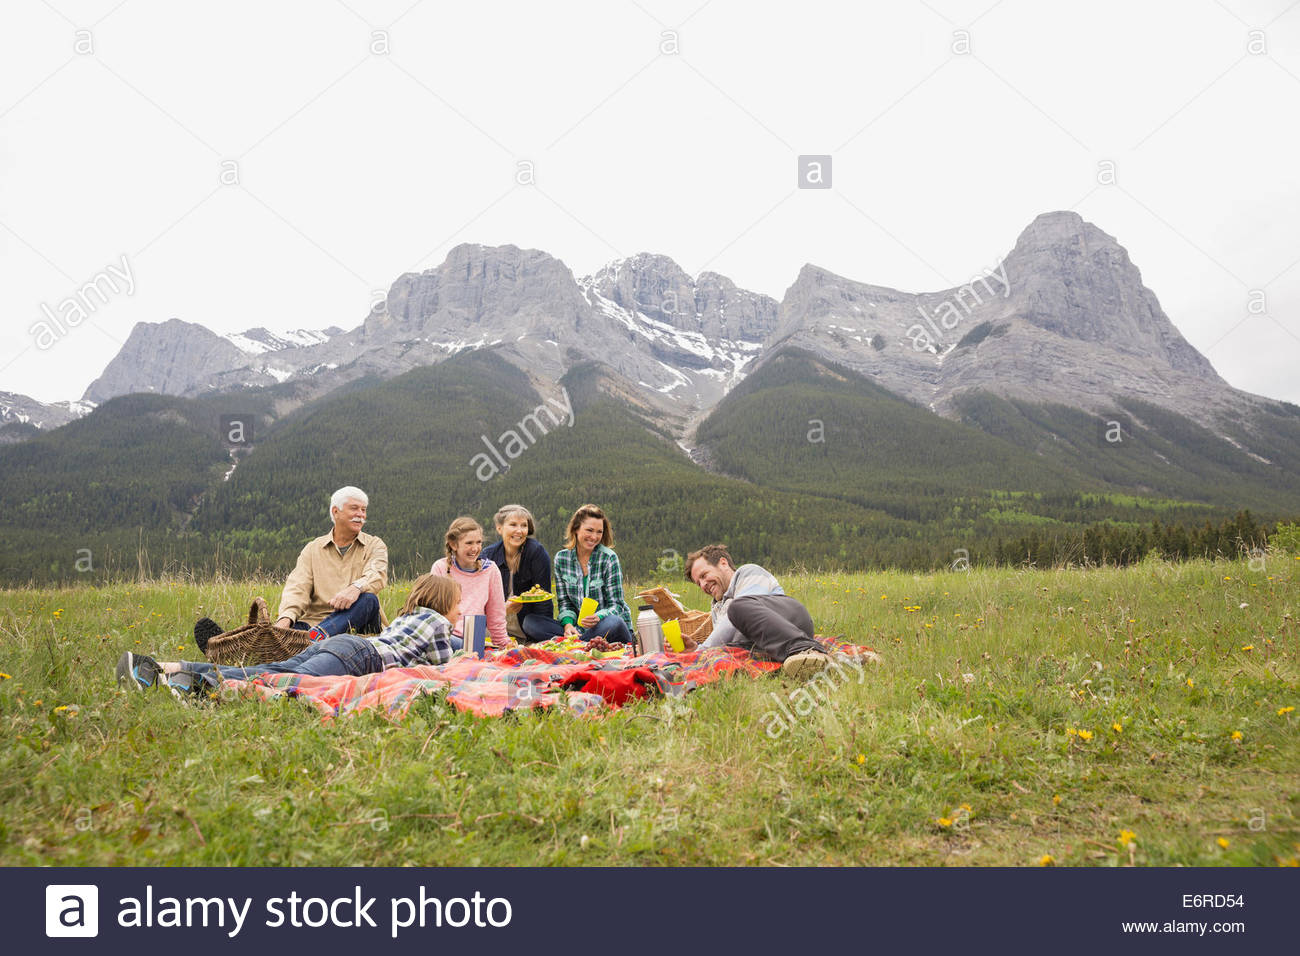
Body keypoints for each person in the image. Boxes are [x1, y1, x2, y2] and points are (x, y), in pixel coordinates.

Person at [118, 574, 459, 695]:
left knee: (280, 670)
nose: (459, 610)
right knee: (282, 676)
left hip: (345, 644)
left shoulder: (409, 616)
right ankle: (186, 681)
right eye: (458, 604)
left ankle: (169, 668)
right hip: (360, 657)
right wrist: (469, 655)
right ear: (445, 604)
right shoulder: (440, 624)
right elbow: (445, 669)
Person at [679, 544, 831, 679]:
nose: (703, 585)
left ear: (723, 563)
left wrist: (701, 651)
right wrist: (695, 647)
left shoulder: (748, 573)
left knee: (738, 607)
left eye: (704, 576)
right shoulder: (717, 607)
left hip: (791, 621)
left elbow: (736, 619)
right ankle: (799, 663)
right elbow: (727, 640)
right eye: (699, 583)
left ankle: (808, 650)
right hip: (765, 645)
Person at [531, 504, 632, 644]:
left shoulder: (609, 558)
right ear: (576, 529)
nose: (594, 537)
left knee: (614, 622)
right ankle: (580, 641)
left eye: (599, 532)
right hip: (578, 629)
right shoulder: (562, 559)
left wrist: (599, 616)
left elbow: (617, 606)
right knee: (530, 622)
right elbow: (565, 603)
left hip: (605, 626)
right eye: (589, 530)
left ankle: (574, 644)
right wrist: (567, 625)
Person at [480, 504, 556, 644]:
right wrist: (504, 609)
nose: (519, 531)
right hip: (498, 622)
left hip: (527, 623)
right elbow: (482, 600)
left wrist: (541, 637)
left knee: (532, 624)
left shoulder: (536, 552)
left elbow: (543, 601)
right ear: (499, 528)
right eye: (513, 525)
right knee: (473, 628)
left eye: (524, 526)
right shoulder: (488, 555)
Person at [431, 516, 509, 650]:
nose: (475, 548)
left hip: (473, 640)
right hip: (444, 636)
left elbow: (496, 617)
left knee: (472, 648)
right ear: (453, 545)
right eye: (469, 543)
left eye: (478, 542)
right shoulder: (440, 568)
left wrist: (505, 646)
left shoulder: (490, 570)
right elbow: (432, 614)